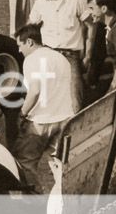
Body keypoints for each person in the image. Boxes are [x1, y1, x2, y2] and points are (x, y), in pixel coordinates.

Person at [12, 24, 77, 193]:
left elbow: (34, 91)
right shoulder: (61, 58)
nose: (19, 50)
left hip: (40, 121)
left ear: (30, 42)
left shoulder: (32, 60)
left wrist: (22, 114)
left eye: (20, 45)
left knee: (25, 161)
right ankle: (63, 195)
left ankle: (33, 198)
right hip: (64, 118)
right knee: (58, 163)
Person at [29, 0, 92, 111]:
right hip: (48, 57)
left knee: (75, 99)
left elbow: (91, 26)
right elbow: (30, 31)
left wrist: (88, 54)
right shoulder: (40, 4)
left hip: (71, 57)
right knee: (44, 99)